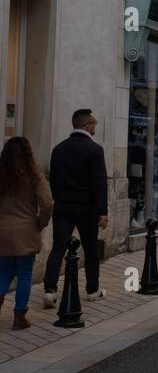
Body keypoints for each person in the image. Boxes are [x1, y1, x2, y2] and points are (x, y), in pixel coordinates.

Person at [43, 109, 109, 301]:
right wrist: (102, 211)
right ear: (87, 124)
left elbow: (53, 180)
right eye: (94, 122)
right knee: (90, 249)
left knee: (58, 247)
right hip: (86, 208)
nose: (96, 125)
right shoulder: (95, 150)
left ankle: (50, 290)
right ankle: (92, 290)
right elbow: (99, 182)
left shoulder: (58, 149)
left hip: (63, 206)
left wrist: (60, 198)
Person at [0, 137, 53, 328]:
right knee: (24, 275)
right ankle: (19, 317)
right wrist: (41, 223)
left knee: (3, 273)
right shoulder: (34, 176)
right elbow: (47, 204)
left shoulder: (2, 176)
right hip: (26, 230)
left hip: (3, 231)